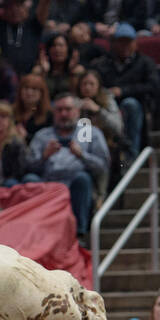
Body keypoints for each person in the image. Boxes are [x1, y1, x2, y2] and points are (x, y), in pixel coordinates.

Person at [25, 91, 110, 239]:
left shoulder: (90, 132)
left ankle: (79, 235)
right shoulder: (42, 135)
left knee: (82, 179)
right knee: (29, 179)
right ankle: (33, 235)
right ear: (54, 113)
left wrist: (82, 155)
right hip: (48, 186)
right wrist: (44, 156)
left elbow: (103, 166)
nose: (64, 114)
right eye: (59, 110)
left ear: (77, 111)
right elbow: (27, 166)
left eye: (68, 109)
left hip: (76, 186)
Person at [87, 23, 157, 159]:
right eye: (120, 42)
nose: (124, 46)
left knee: (130, 104)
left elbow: (153, 86)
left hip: (136, 105)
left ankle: (131, 156)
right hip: (105, 104)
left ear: (135, 44)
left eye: (128, 42)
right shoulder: (102, 64)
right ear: (113, 44)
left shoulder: (145, 63)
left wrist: (123, 91)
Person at [0, 0, 44, 77]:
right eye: (9, 7)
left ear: (25, 8)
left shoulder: (33, 25)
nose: (14, 10)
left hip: (29, 77)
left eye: (18, 6)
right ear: (3, 11)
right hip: (2, 78)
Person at [32, 33, 84, 100]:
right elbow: (36, 95)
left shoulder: (77, 71)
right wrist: (44, 72)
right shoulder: (39, 71)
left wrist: (71, 71)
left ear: (68, 49)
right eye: (54, 45)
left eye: (61, 45)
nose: (57, 49)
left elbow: (77, 96)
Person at [14, 73, 51, 140]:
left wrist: (27, 136)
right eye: (26, 88)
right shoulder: (12, 111)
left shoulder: (49, 115)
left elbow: (46, 141)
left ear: (41, 93)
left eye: (34, 89)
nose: (29, 92)